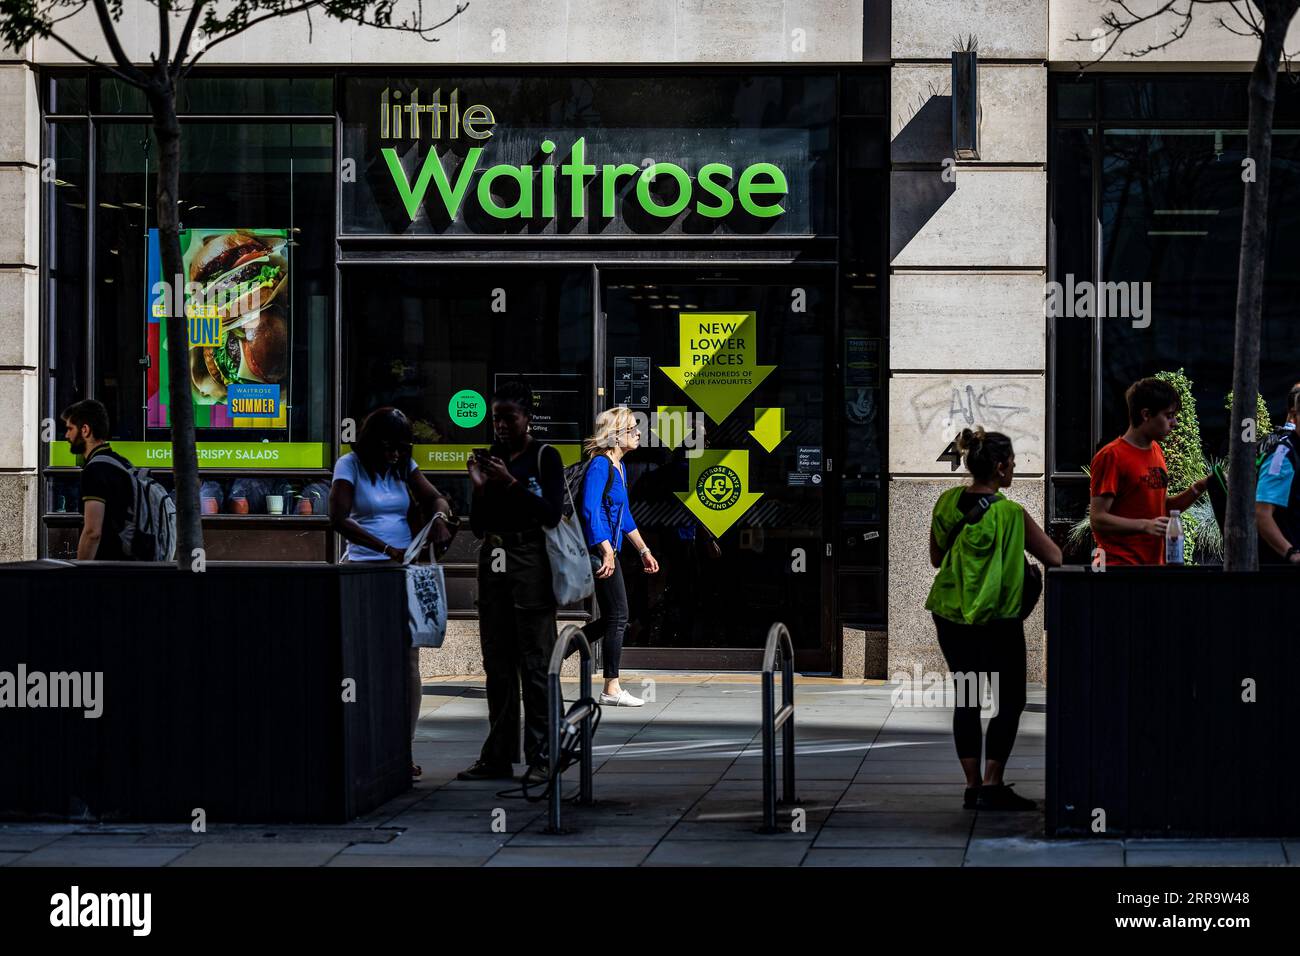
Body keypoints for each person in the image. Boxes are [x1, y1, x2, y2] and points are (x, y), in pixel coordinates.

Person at [926, 427, 1062, 811]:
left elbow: (937, 560)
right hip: (999, 621)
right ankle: (992, 782)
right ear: (1001, 468)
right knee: (1010, 700)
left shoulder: (947, 503)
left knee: (967, 699)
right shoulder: (1011, 514)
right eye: (1014, 464)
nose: (1014, 469)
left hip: (951, 617)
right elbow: (1055, 558)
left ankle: (972, 787)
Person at [328, 407, 453, 779]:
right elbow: (338, 518)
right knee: (364, 661)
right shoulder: (349, 465)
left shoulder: (403, 466)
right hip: (364, 571)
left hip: (405, 570)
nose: (395, 455)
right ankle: (364, 745)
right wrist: (385, 548)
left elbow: (436, 499)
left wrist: (440, 519)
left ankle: (403, 748)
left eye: (401, 449)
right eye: (387, 449)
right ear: (369, 444)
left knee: (407, 663)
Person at [459, 379, 566, 784]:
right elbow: (481, 525)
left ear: (528, 418)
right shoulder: (491, 459)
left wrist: (512, 484)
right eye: (495, 418)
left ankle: (542, 756)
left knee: (535, 662)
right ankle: (498, 756)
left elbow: (551, 514)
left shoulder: (544, 457)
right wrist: (481, 488)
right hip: (494, 560)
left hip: (531, 560)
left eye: (509, 417)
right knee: (497, 663)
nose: (500, 425)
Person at [578, 407, 660, 707]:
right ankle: (611, 688)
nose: (638, 433)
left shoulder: (619, 466)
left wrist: (643, 550)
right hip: (597, 552)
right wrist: (607, 551)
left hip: (609, 552)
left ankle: (555, 653)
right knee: (620, 615)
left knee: (617, 617)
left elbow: (624, 517)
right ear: (615, 435)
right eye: (632, 429)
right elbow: (589, 511)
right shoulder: (600, 465)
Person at [1089, 377, 1210, 566]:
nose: (1175, 423)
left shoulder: (1156, 451)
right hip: (1118, 569)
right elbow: (1098, 519)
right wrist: (1145, 525)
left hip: (1152, 567)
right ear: (1146, 415)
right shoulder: (1111, 456)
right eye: (1169, 415)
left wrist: (1200, 487)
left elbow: (1164, 509)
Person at [62, 399, 134, 561]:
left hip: (109, 566)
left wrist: (82, 571)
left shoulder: (95, 469)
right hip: (129, 564)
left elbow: (92, 532)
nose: (67, 436)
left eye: (70, 429)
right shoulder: (120, 462)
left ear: (85, 430)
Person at [1256, 384, 1300, 564]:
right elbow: (1261, 513)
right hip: (1285, 574)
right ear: (1294, 416)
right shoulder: (1282, 456)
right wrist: (1291, 554)